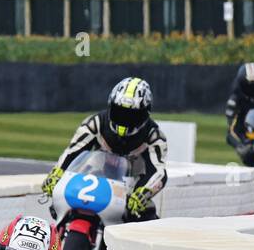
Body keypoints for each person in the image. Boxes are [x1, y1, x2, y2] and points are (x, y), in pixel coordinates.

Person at [41, 76, 168, 221]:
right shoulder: (95, 123)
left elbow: (159, 172)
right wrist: (57, 173)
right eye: (120, 112)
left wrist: (144, 192)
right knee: (56, 204)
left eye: (133, 115)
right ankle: (61, 233)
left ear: (145, 113)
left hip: (131, 186)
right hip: (94, 176)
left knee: (148, 214)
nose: (125, 119)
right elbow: (73, 150)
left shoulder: (154, 136)